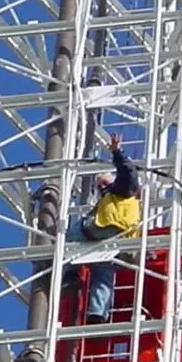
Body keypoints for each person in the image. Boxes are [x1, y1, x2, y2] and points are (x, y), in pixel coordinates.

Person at [63, 134, 141, 325]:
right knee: (103, 274)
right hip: (117, 241)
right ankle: (98, 315)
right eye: (99, 186)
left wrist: (116, 152)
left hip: (110, 228)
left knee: (72, 233)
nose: (102, 187)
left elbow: (128, 172)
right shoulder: (112, 198)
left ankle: (70, 274)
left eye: (104, 183)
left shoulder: (123, 188)